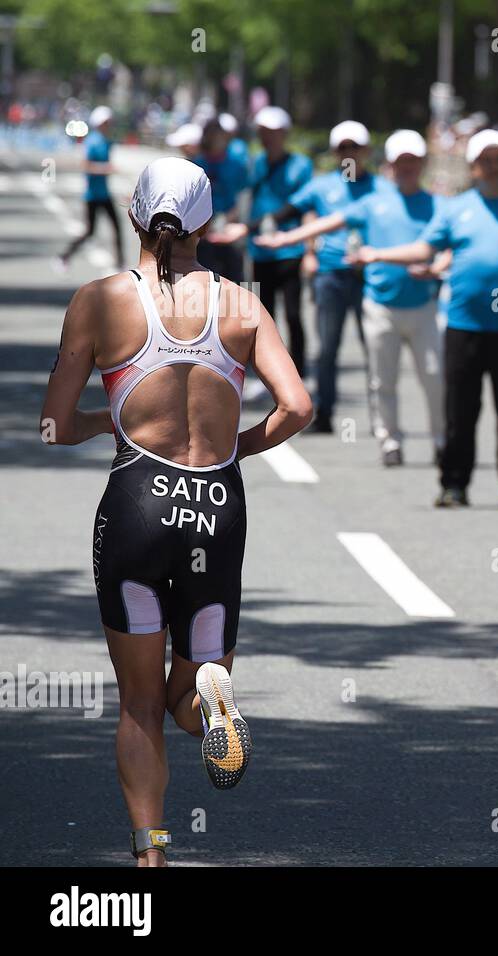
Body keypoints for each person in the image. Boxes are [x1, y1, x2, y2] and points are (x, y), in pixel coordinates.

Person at [39, 157, 312, 865]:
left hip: (136, 504)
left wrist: (113, 421)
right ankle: (213, 700)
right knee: (187, 694)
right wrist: (236, 449)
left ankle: (152, 853)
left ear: (134, 216)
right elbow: (299, 407)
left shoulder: (100, 300)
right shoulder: (243, 304)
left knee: (138, 705)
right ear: (208, 223)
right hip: (218, 506)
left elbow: (55, 426)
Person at [354, 128, 498, 509]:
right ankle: (454, 484)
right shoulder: (457, 208)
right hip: (464, 327)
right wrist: (377, 255)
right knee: (459, 411)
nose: (494, 167)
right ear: (473, 168)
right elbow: (425, 248)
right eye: (486, 161)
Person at [258, 130, 447, 467]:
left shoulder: (432, 204)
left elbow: (447, 246)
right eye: (401, 162)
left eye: (413, 162)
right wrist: (287, 240)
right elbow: (328, 222)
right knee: (373, 373)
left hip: (420, 303)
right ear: (391, 164)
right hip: (369, 297)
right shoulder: (371, 201)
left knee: (432, 376)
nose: (407, 168)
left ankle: (442, 441)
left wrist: (438, 267)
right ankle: (385, 438)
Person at [282, 120, 380, 433]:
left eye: (355, 147)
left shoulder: (382, 189)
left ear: (366, 151)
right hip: (330, 275)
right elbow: (290, 210)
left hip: (369, 275)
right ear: (335, 152)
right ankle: (324, 413)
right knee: (328, 347)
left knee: (375, 347)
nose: (349, 153)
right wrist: (307, 253)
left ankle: (381, 416)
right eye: (343, 148)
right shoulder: (322, 186)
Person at [245, 106, 314, 375]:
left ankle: (299, 369)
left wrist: (310, 250)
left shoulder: (301, 165)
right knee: (261, 316)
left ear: (284, 133)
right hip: (258, 249)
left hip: (290, 249)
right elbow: (244, 197)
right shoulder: (255, 163)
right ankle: (266, 371)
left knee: (294, 314)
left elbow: (308, 207)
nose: (267, 137)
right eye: (263, 132)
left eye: (273, 132)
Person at [56, 106, 124, 271]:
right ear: (99, 123)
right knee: (89, 232)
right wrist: (104, 169)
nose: (109, 125)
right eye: (106, 122)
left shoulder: (107, 141)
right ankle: (64, 256)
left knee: (117, 226)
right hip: (92, 195)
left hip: (104, 193)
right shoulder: (92, 141)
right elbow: (85, 165)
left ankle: (120, 263)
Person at [192, 119, 249, 281]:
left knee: (234, 286)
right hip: (203, 234)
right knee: (204, 283)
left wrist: (230, 219)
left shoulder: (236, 165)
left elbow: (243, 198)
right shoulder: (198, 164)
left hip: (229, 232)